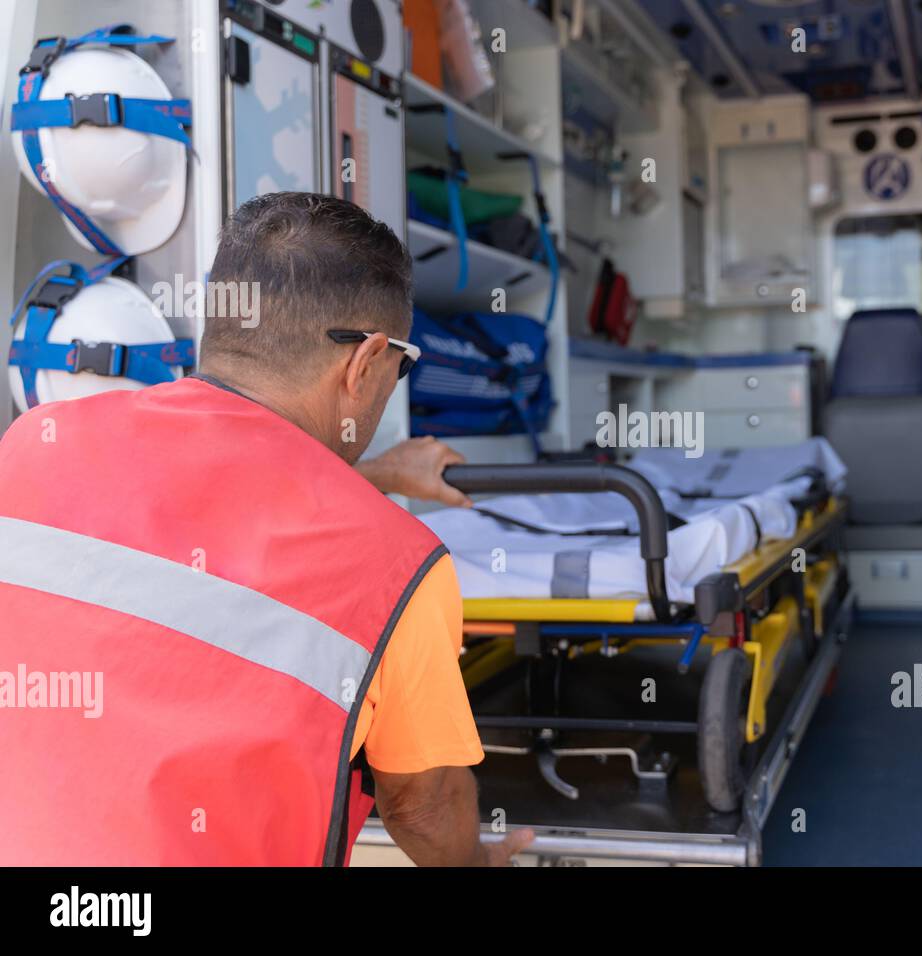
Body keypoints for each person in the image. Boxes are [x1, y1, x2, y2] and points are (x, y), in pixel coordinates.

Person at [0, 192, 532, 866]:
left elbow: (203, 505)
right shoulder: (401, 567)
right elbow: (423, 806)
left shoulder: (33, 445)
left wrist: (383, 474)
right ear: (365, 363)